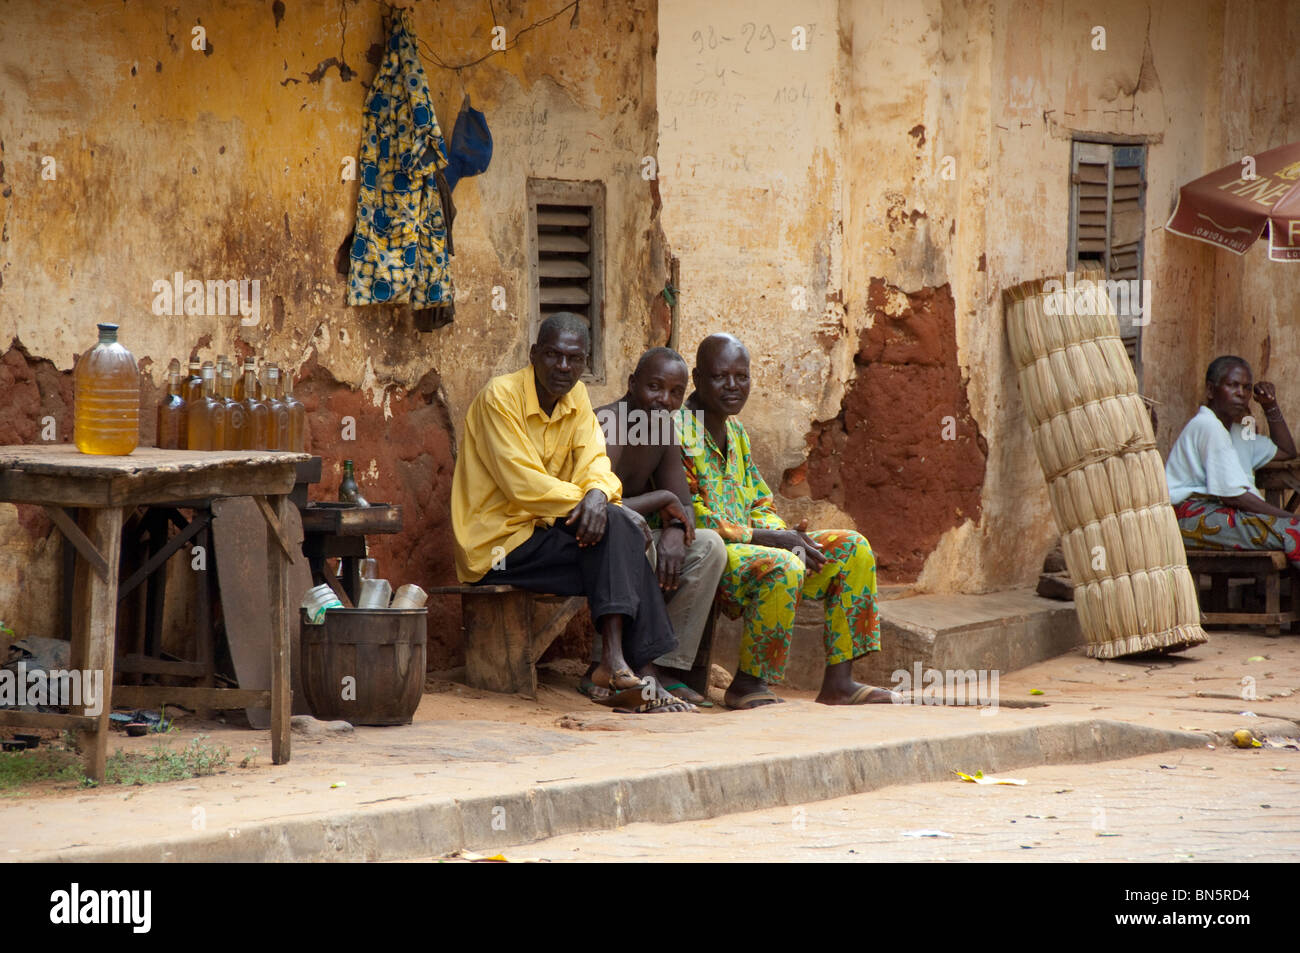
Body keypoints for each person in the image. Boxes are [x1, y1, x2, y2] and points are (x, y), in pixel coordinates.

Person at [451, 313, 693, 713]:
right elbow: (522, 484)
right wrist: (598, 502)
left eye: (574, 359)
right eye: (553, 356)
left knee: (619, 536)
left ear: (584, 363)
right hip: (498, 545)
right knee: (620, 529)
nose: (563, 367)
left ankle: (619, 667)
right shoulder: (500, 397)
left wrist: (599, 492)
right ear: (534, 355)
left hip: (547, 534)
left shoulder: (576, 397)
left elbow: (594, 461)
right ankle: (632, 669)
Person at [677, 333, 900, 710]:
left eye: (742, 376)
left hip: (753, 546)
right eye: (720, 377)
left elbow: (760, 500)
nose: (733, 386)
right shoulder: (677, 431)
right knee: (783, 562)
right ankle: (747, 683)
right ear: (698, 378)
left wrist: (783, 533)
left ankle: (838, 683)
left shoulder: (736, 432)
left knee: (852, 548)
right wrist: (770, 540)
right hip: (708, 556)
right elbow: (690, 515)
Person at [580, 347, 728, 706]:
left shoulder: (663, 430)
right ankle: (610, 666)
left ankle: (663, 666)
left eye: (676, 392)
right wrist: (660, 499)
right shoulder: (608, 425)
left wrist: (676, 535)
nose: (664, 400)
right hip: (594, 537)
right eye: (654, 387)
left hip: (638, 533)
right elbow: (598, 508)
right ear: (632, 385)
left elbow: (682, 506)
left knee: (709, 547)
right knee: (630, 539)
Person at [1167, 355, 1299, 557]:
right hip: (1188, 518)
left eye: (1247, 387)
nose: (1241, 393)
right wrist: (1290, 518)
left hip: (1217, 512)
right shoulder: (1207, 425)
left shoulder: (1238, 433)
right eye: (1232, 385)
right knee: (1292, 530)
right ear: (1211, 390)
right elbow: (1234, 496)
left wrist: (1270, 405)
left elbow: (1286, 451)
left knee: (1290, 530)